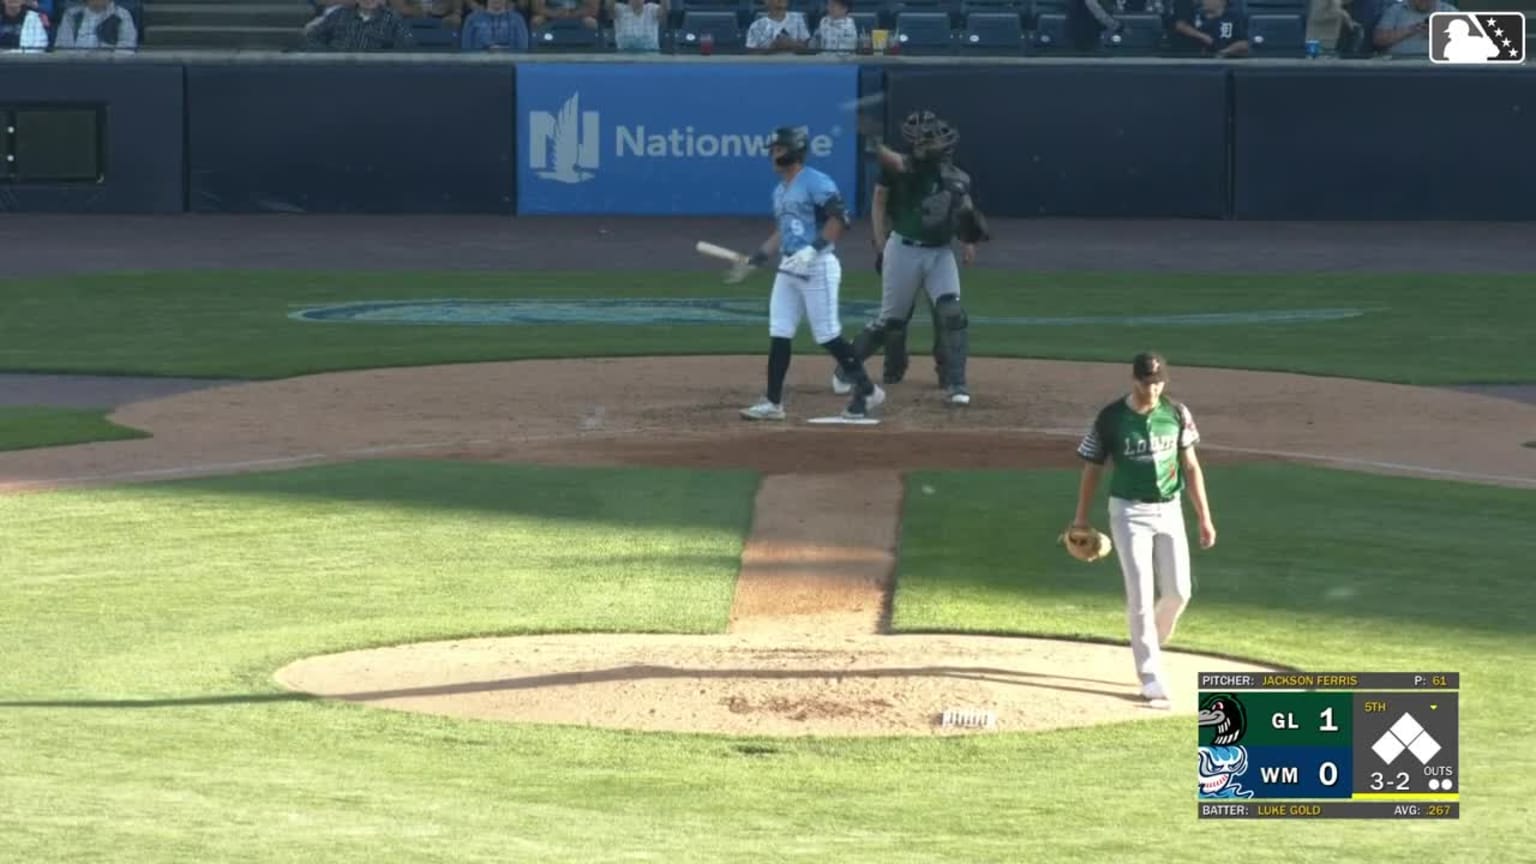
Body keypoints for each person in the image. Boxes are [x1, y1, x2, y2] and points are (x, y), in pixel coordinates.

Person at [1072, 352, 1217, 706]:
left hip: (1169, 509)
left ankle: (1150, 636)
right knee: (1139, 593)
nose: (1151, 389)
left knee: (1179, 592)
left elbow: (1192, 466)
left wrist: (1204, 517)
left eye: (1157, 382)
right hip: (1128, 511)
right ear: (1133, 380)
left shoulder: (1177, 414)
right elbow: (1092, 467)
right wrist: (1080, 518)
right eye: (1145, 382)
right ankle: (1150, 676)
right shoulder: (1111, 418)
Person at [834, 110, 989, 407]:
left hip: (940, 252)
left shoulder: (954, 175)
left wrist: (969, 242)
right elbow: (883, 192)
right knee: (890, 322)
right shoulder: (902, 168)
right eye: (932, 139)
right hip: (903, 250)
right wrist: (879, 246)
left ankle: (957, 384)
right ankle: (846, 368)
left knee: (952, 313)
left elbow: (964, 205)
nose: (939, 144)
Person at [736, 126, 885, 423]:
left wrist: (812, 251)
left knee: (827, 334)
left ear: (794, 150)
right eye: (773, 149)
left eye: (778, 149)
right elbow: (784, 230)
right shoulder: (779, 191)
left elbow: (839, 219)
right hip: (789, 268)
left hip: (818, 267)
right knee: (779, 331)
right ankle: (773, 402)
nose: (773, 154)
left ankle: (868, 390)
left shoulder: (816, 181)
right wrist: (759, 257)